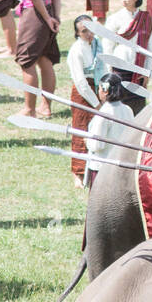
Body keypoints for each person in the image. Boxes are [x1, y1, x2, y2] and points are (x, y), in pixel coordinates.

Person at [14, 0, 61, 116]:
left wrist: (47, 19)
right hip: (48, 11)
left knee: (27, 61)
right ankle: (46, 106)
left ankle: (29, 108)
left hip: (36, 13)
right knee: (44, 58)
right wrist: (55, 17)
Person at [66, 15, 107, 185]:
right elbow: (80, 81)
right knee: (81, 129)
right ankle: (79, 172)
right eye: (83, 31)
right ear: (77, 33)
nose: (88, 34)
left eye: (90, 29)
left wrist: (104, 93)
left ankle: (95, 169)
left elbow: (104, 66)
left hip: (99, 87)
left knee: (97, 129)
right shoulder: (76, 50)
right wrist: (95, 103)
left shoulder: (98, 44)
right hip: (84, 93)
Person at [103, 0, 152, 108]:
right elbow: (107, 44)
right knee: (120, 104)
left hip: (139, 69)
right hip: (119, 67)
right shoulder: (115, 18)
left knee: (137, 104)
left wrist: (147, 71)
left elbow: (151, 48)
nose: (124, 0)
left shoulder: (148, 19)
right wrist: (109, 68)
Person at [84, 72, 133, 184]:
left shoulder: (104, 114)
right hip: (121, 165)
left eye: (100, 88)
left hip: (102, 168)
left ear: (105, 91)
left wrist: (87, 141)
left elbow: (97, 145)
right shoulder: (128, 110)